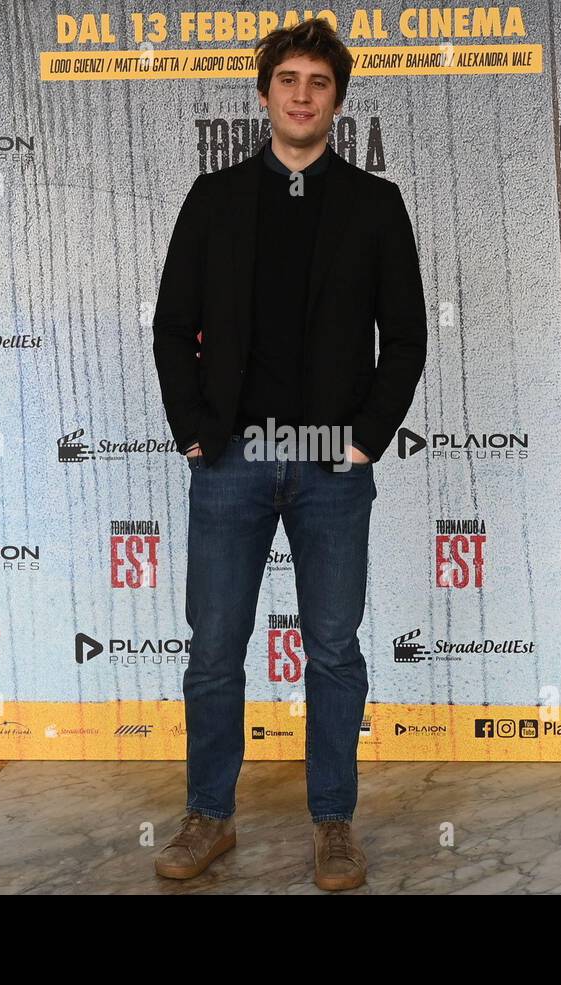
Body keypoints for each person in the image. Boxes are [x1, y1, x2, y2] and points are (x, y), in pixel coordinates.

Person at [150, 17, 427, 891]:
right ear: (264, 92)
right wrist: (196, 429)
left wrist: (363, 440)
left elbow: (408, 338)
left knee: (335, 648)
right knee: (214, 649)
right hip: (231, 461)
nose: (302, 94)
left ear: (336, 101)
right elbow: (169, 328)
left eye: (318, 82)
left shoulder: (375, 204)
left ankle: (334, 824)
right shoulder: (214, 198)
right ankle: (209, 816)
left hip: (331, 470)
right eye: (289, 80)